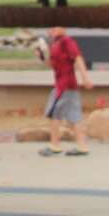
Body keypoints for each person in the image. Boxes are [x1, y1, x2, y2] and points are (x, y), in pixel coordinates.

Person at [37, 25, 89, 156]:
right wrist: (42, 56)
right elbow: (53, 65)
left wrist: (85, 77)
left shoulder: (67, 41)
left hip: (64, 85)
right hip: (65, 84)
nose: (51, 29)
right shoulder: (55, 43)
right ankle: (82, 145)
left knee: (52, 113)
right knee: (73, 116)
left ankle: (55, 144)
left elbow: (78, 57)